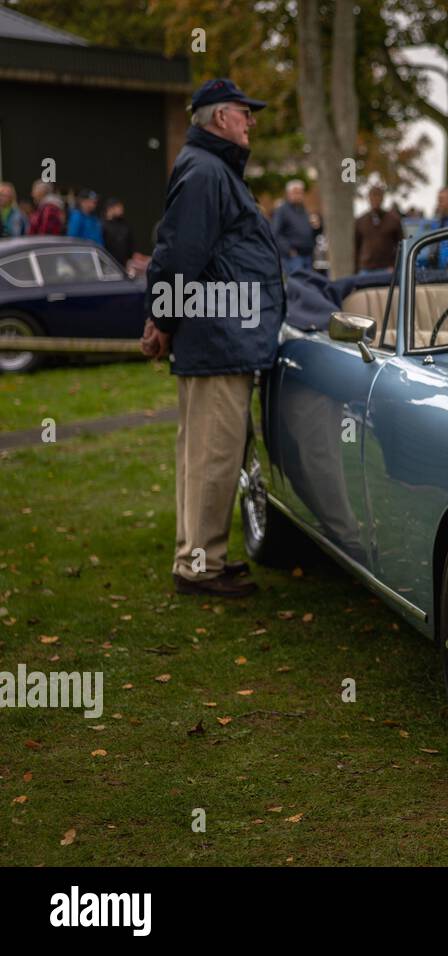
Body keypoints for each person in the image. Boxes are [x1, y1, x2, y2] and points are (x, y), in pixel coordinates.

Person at [140, 78, 285, 598]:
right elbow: (179, 257)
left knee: (207, 455)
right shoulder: (206, 172)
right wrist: (162, 323)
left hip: (221, 338)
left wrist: (164, 322)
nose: (251, 122)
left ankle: (199, 558)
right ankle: (198, 568)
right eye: (246, 113)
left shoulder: (211, 170)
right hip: (216, 340)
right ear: (221, 117)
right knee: (213, 457)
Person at [271, 179, 318, 275]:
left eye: (300, 193)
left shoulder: (304, 210)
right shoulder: (282, 211)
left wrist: (316, 227)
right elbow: (275, 233)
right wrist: (289, 250)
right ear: (288, 194)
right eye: (295, 193)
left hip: (308, 255)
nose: (298, 196)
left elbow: (311, 233)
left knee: (308, 284)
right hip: (293, 256)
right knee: (297, 284)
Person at [354, 184, 403, 273]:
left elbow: (401, 246)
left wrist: (395, 266)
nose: (375, 200)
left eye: (378, 196)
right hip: (365, 269)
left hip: (387, 269)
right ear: (368, 199)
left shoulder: (393, 220)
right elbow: (356, 247)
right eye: (373, 196)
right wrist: (356, 268)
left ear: (382, 198)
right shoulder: (360, 221)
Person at [101, 198, 134, 266]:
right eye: (118, 207)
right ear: (110, 208)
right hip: (108, 262)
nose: (121, 209)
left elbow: (130, 242)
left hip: (123, 263)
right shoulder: (101, 225)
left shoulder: (124, 224)